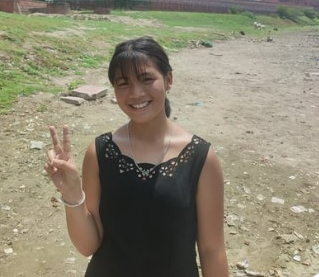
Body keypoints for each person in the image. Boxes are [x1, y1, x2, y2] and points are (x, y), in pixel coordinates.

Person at [45, 36, 228, 277]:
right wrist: (72, 194)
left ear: (168, 79)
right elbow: (88, 245)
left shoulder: (201, 158)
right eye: (124, 83)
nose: (136, 93)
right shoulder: (100, 152)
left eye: (146, 79)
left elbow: (212, 250)